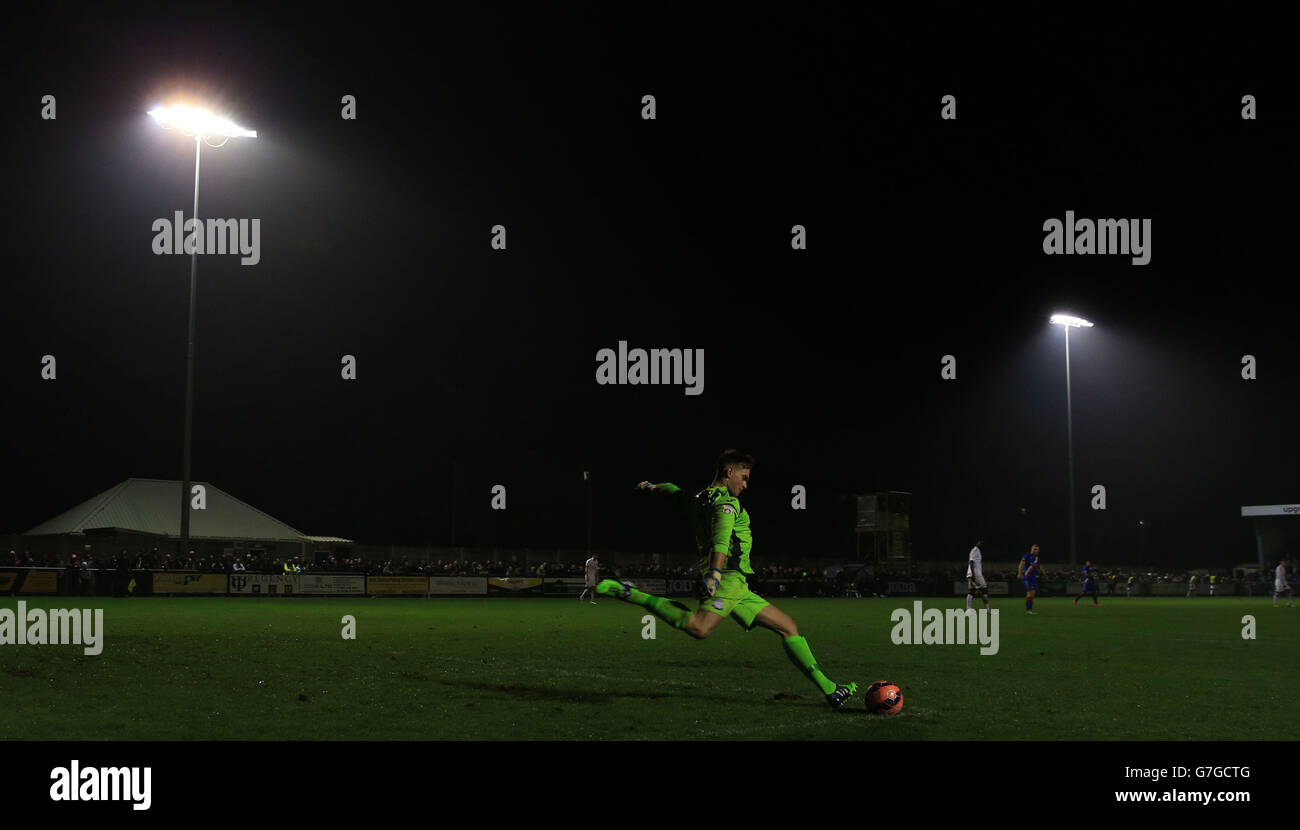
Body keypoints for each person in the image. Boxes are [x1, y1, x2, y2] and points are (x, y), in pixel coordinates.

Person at [597, 449, 858, 709]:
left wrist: (649, 486)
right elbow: (722, 540)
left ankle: (831, 689)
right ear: (729, 472)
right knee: (699, 628)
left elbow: (671, 490)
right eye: (743, 477)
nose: (745, 484)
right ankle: (631, 593)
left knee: (788, 626)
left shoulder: (696, 498)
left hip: (739, 584)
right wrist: (714, 576)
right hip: (727, 578)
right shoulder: (726, 504)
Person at [1018, 544, 1044, 614]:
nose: (1035, 550)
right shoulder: (1026, 556)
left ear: (1038, 551)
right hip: (1026, 577)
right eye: (1034, 549)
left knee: (1032, 595)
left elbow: (1040, 566)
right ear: (1031, 549)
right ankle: (1028, 610)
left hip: (1033, 579)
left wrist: (1044, 573)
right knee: (1029, 593)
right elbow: (1021, 565)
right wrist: (1019, 573)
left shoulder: (1037, 559)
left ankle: (1029, 609)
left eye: (1036, 549)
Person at [966, 539, 988, 611]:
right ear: (977, 542)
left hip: (977, 574)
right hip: (974, 574)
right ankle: (987, 609)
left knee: (974, 591)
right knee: (978, 591)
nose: (981, 543)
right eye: (980, 542)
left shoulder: (978, 551)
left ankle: (987, 609)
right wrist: (973, 576)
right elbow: (971, 562)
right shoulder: (975, 550)